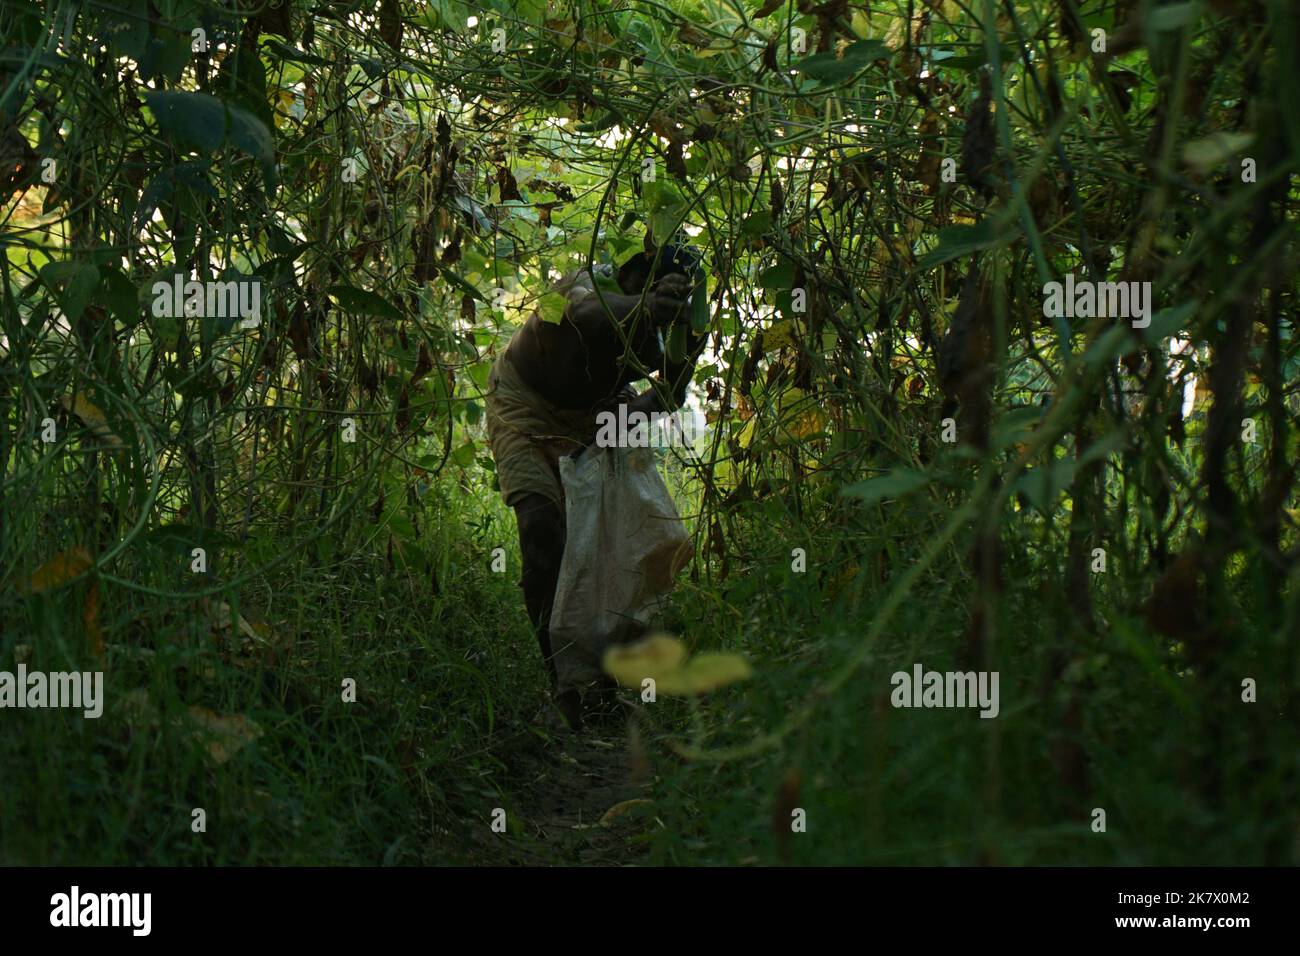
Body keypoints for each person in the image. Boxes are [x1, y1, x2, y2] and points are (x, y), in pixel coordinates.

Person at [484, 241, 704, 729]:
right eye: (643, 282)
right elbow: (580, 316)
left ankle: (602, 674)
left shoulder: (661, 331)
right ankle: (560, 680)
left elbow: (667, 395)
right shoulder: (580, 285)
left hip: (595, 416)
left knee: (611, 546)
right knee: (542, 531)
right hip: (522, 409)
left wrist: (684, 338)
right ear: (629, 274)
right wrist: (647, 305)